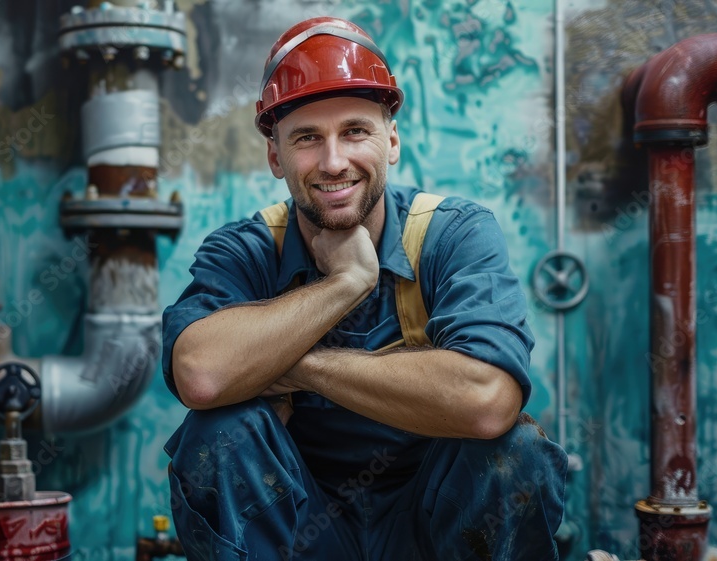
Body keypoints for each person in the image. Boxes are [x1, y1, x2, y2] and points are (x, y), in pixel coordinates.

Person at [161, 16, 567, 561]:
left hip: (432, 525)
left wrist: (299, 365)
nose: (333, 162)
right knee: (218, 433)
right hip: (301, 527)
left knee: (514, 452)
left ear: (390, 139)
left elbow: (487, 400)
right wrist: (347, 283)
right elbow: (203, 375)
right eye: (307, 138)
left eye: (355, 130)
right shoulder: (246, 249)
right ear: (275, 155)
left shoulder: (452, 234)